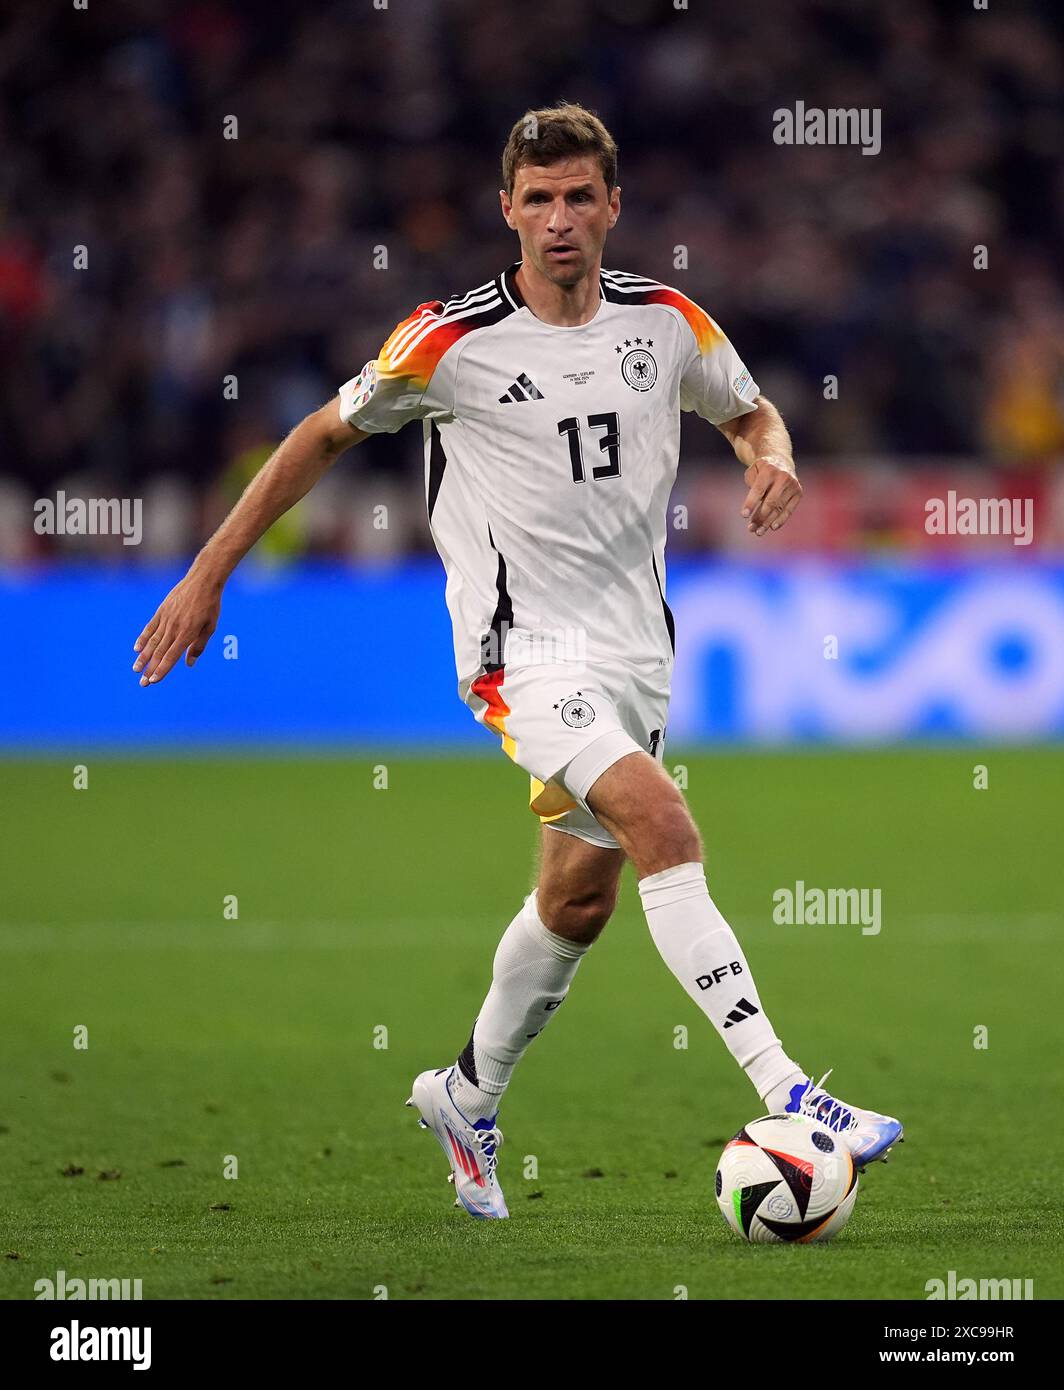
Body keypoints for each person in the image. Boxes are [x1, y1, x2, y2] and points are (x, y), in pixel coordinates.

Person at [133, 102, 902, 1220]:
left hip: (638, 653)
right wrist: (207, 572)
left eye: (577, 196)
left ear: (611, 207)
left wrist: (770, 456)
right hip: (519, 652)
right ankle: (792, 1092)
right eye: (535, 199)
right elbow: (314, 437)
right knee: (663, 826)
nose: (557, 219)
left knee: (576, 895)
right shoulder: (447, 341)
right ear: (506, 210)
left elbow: (748, 412)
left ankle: (464, 1093)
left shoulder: (667, 322)